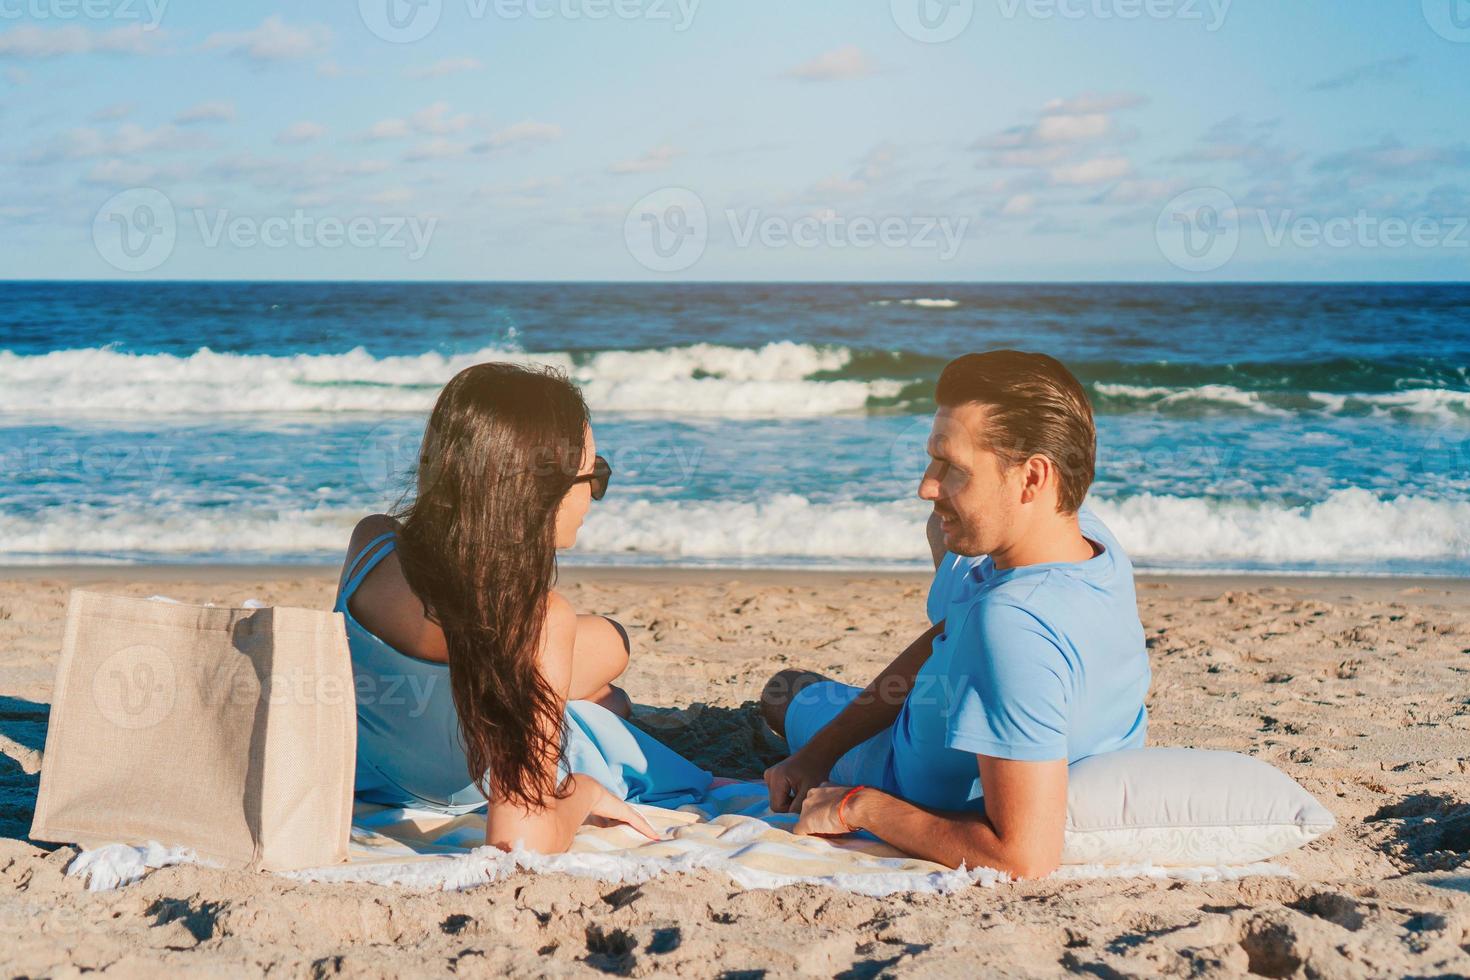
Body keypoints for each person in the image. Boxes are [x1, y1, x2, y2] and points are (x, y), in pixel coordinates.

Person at [759, 350, 1150, 879]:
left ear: (1033, 478)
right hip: (941, 697)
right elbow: (940, 640)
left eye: (953, 468)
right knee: (951, 552)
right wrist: (817, 754)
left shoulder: (1011, 623)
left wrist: (857, 805)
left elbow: (1023, 859)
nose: (925, 484)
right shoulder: (1093, 539)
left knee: (782, 690)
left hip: (896, 766)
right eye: (932, 460)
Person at [336, 362, 711, 854]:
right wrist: (582, 792)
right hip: (458, 788)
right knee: (609, 656)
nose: (595, 496)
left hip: (374, 771)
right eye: (593, 476)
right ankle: (599, 702)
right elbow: (519, 841)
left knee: (607, 644)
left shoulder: (373, 544)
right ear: (538, 494)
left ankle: (599, 698)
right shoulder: (536, 622)